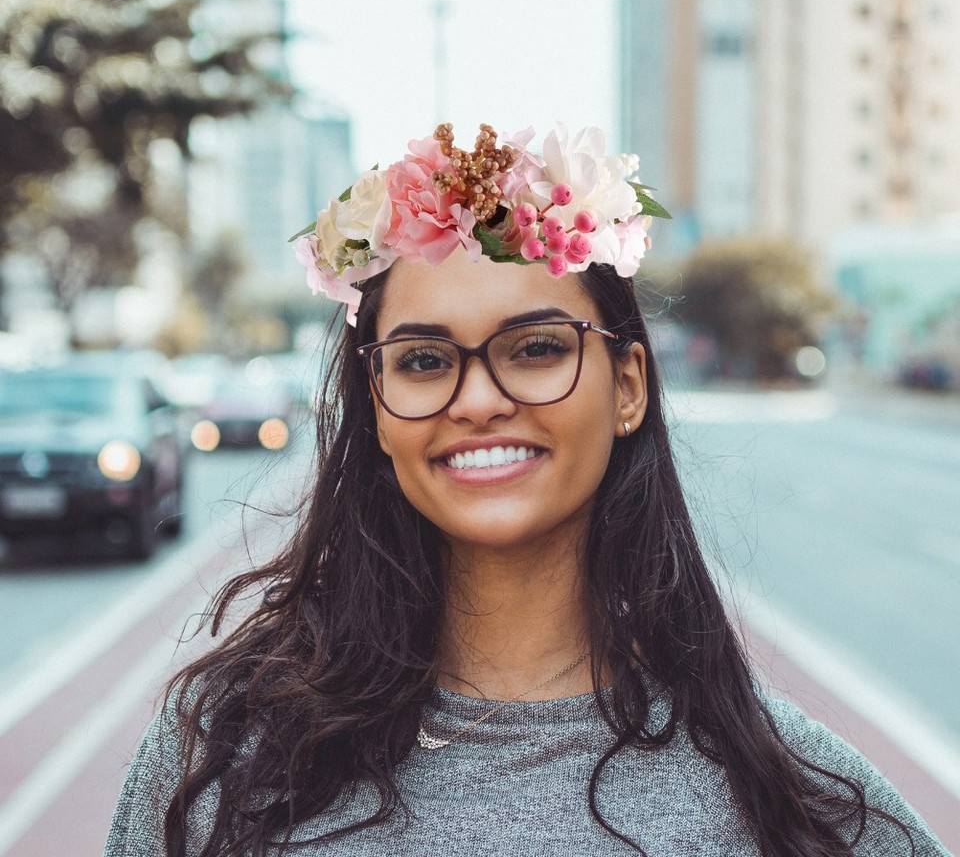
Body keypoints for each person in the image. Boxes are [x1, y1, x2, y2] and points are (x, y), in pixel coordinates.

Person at [104, 124, 950, 857]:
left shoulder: (798, 802)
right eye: (424, 360)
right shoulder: (217, 758)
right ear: (377, 404)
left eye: (537, 347)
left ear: (628, 387)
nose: (477, 401)